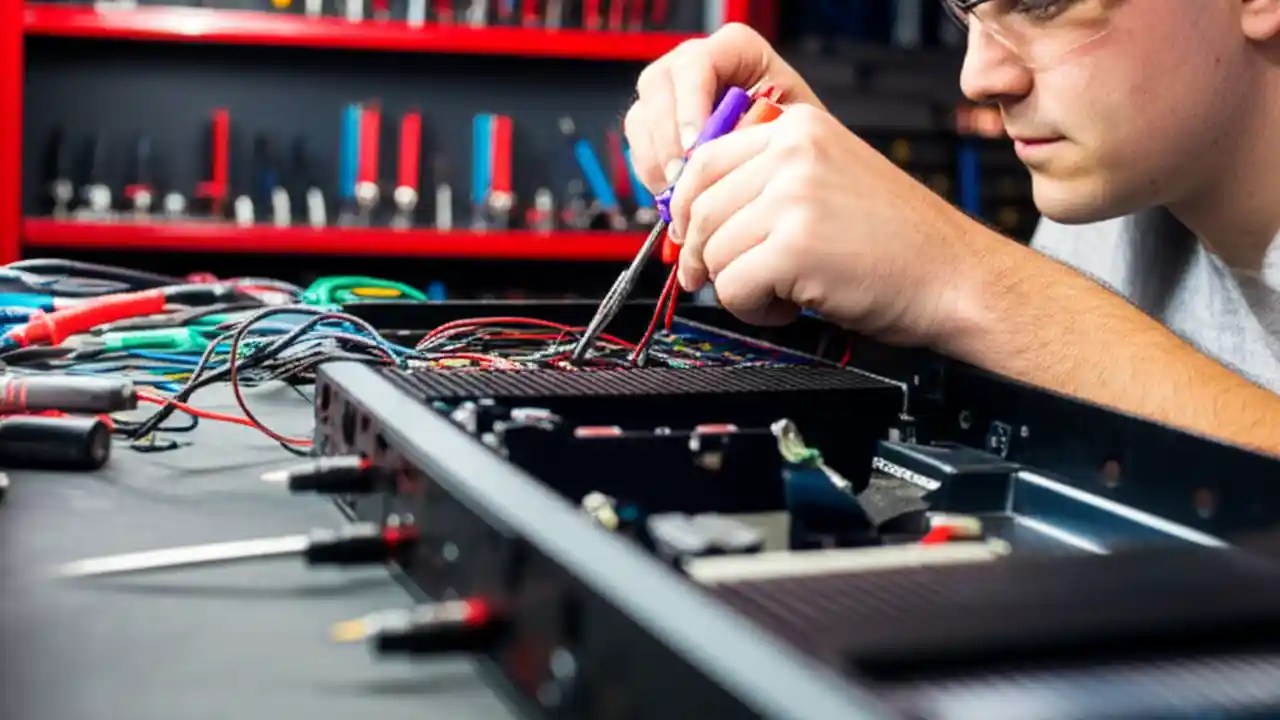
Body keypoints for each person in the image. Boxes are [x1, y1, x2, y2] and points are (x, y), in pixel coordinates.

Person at [622, 0, 1280, 456]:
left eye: (1041, 3)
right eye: (965, 12)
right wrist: (860, 266)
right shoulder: (1115, 214)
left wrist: (968, 282)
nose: (978, 76)